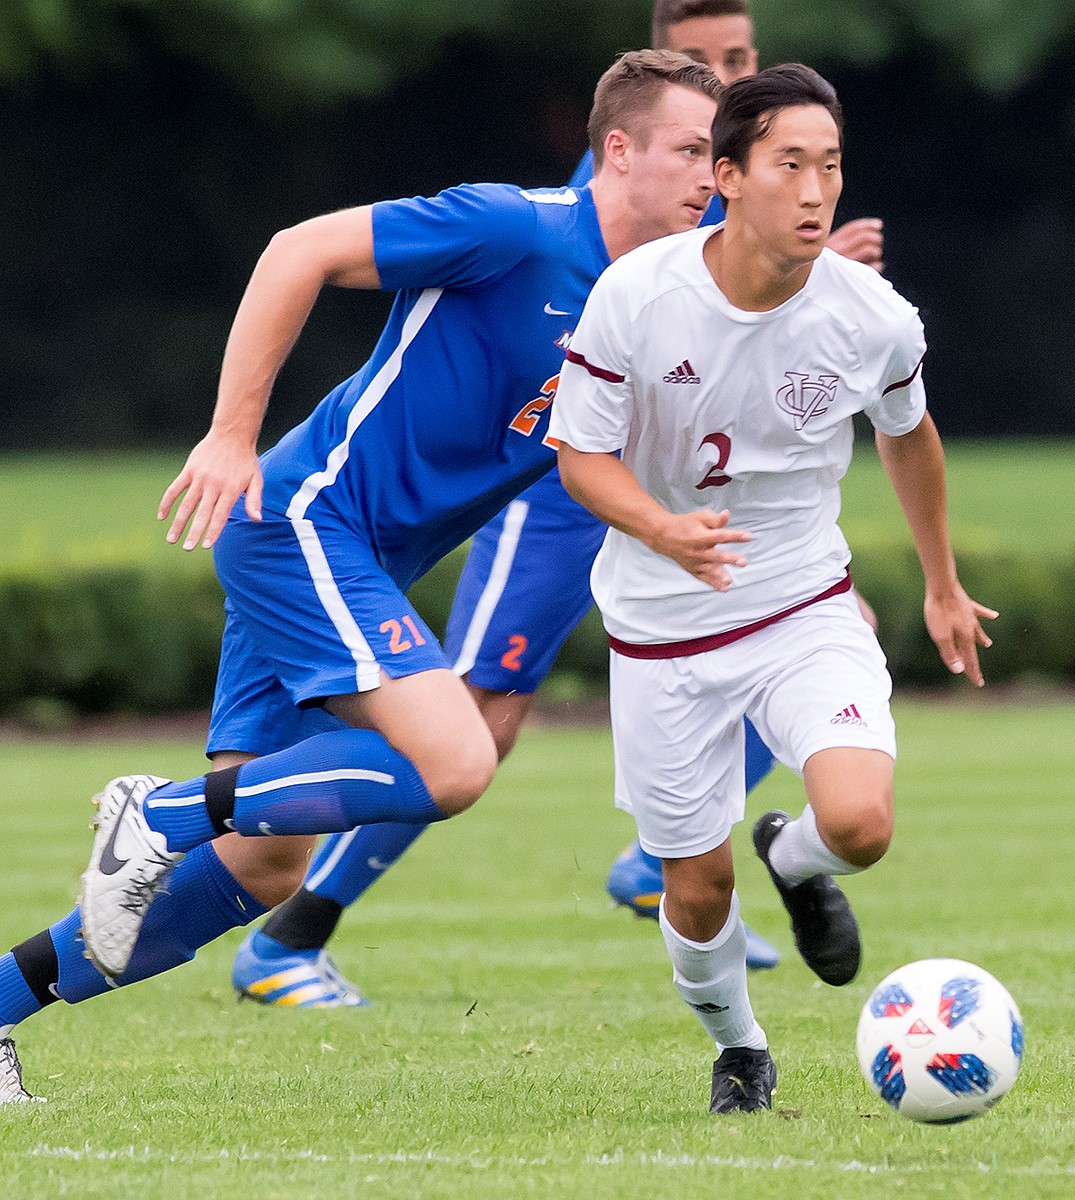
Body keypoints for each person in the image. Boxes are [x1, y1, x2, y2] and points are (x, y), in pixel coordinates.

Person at [0, 50, 723, 1101]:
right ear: (618, 151)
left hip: (342, 554)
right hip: (302, 521)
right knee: (459, 762)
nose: (711, 174)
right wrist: (229, 435)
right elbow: (298, 250)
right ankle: (157, 816)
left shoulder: (648, 304)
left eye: (718, 154)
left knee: (262, 867)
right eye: (691, 149)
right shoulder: (515, 228)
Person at [231, 0, 886, 1006]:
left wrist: (807, 281)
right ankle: (290, 931)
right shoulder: (609, 198)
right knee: (475, 728)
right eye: (705, 62)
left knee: (828, 627)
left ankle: (689, 848)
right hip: (557, 495)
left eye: (742, 59)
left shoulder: (735, 191)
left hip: (673, 484)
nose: (729, 79)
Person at [549, 64, 995, 1113]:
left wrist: (941, 582)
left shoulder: (870, 319)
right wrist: (663, 528)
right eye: (789, 165)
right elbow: (580, 457)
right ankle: (739, 1047)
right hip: (662, 630)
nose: (815, 191)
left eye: (830, 167)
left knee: (863, 822)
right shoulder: (638, 295)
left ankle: (796, 862)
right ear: (728, 175)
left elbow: (910, 437)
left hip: (801, 603)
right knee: (696, 891)